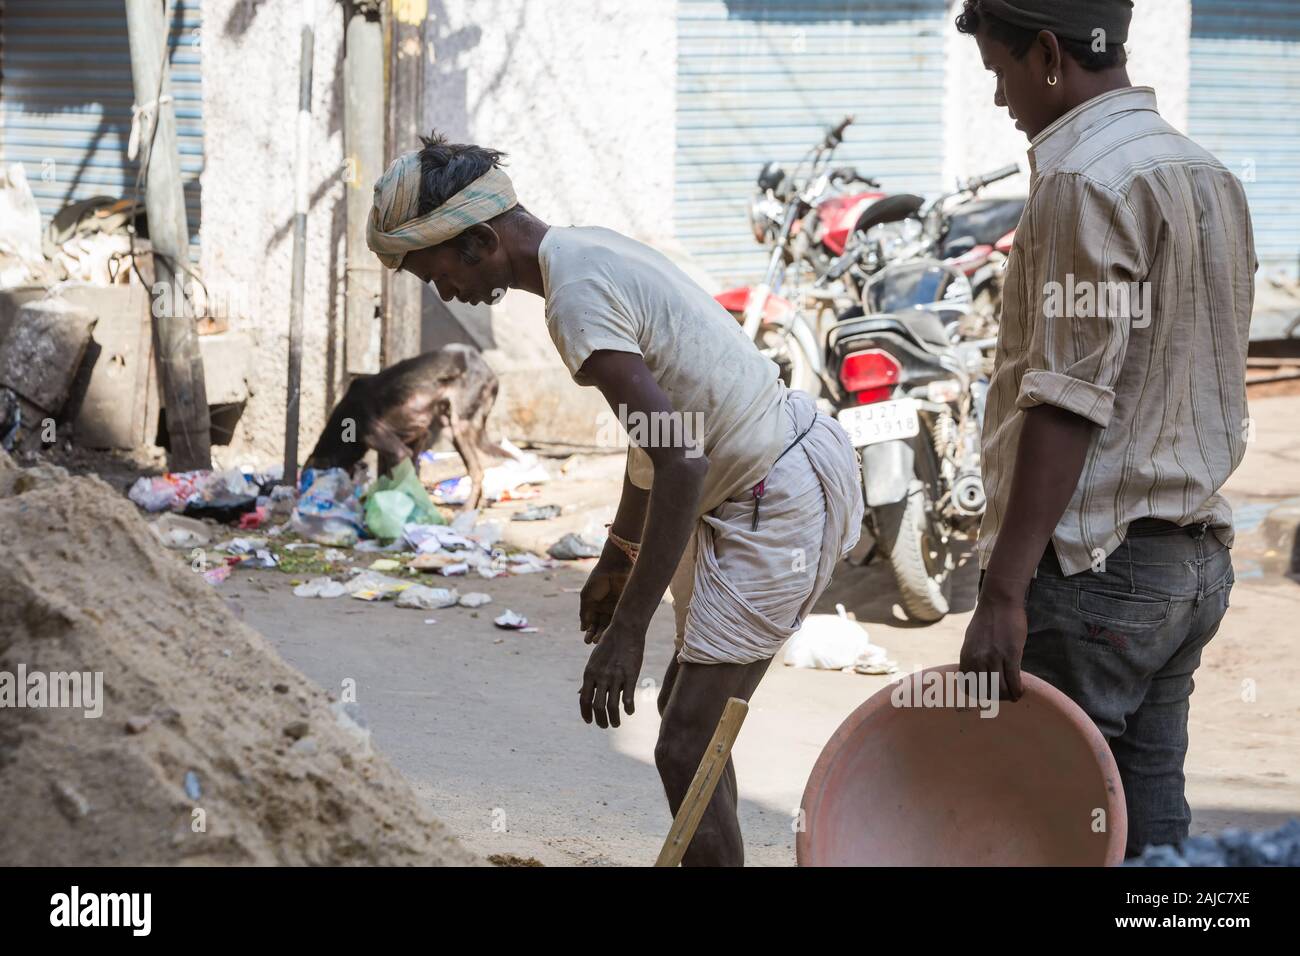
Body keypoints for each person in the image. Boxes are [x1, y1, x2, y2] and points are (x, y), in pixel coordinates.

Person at [365, 132, 862, 866]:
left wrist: (629, 631)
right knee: (689, 728)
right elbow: (659, 436)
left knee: (688, 738)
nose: (444, 293)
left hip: (773, 496)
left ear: (474, 241)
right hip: (763, 477)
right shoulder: (582, 250)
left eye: (433, 271)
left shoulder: (574, 297)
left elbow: (680, 460)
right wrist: (618, 559)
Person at [954, 0, 1255, 856]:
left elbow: (1067, 397)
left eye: (1002, 73)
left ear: (1048, 55)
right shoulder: (1205, 173)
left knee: (1044, 822)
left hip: (1095, 576)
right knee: (1145, 820)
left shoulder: (1084, 181)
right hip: (1188, 568)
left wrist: (1004, 590)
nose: (1001, 98)